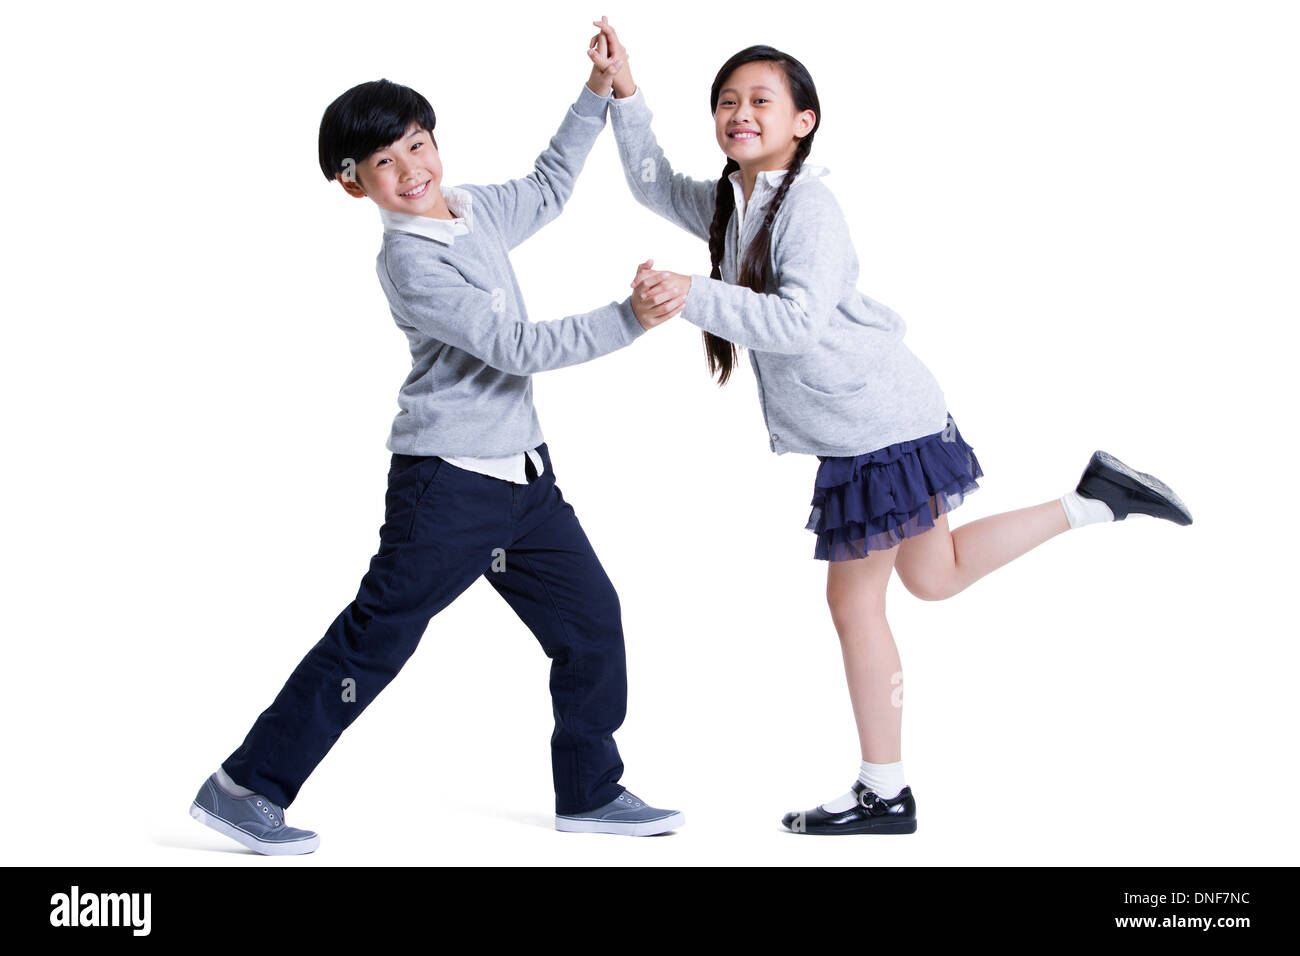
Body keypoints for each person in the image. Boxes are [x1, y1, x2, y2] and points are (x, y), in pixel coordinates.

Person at [589, 18, 1192, 835]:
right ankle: (1096, 501)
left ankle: (885, 791)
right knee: (933, 577)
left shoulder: (810, 206)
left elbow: (796, 321)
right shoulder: (736, 205)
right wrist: (623, 87)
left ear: (803, 122)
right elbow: (653, 181)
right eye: (728, 101)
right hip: (882, 418)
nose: (741, 113)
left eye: (762, 100)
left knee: (855, 603)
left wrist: (690, 294)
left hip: (874, 428)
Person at [188, 29, 688, 854]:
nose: (411, 168)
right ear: (356, 185)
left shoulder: (473, 208)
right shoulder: (411, 263)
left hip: (523, 480)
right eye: (385, 162)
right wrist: (630, 318)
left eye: (417, 144)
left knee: (591, 620)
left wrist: (599, 90)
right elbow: (518, 349)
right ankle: (244, 787)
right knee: (375, 641)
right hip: (448, 486)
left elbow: (550, 183)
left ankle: (591, 793)